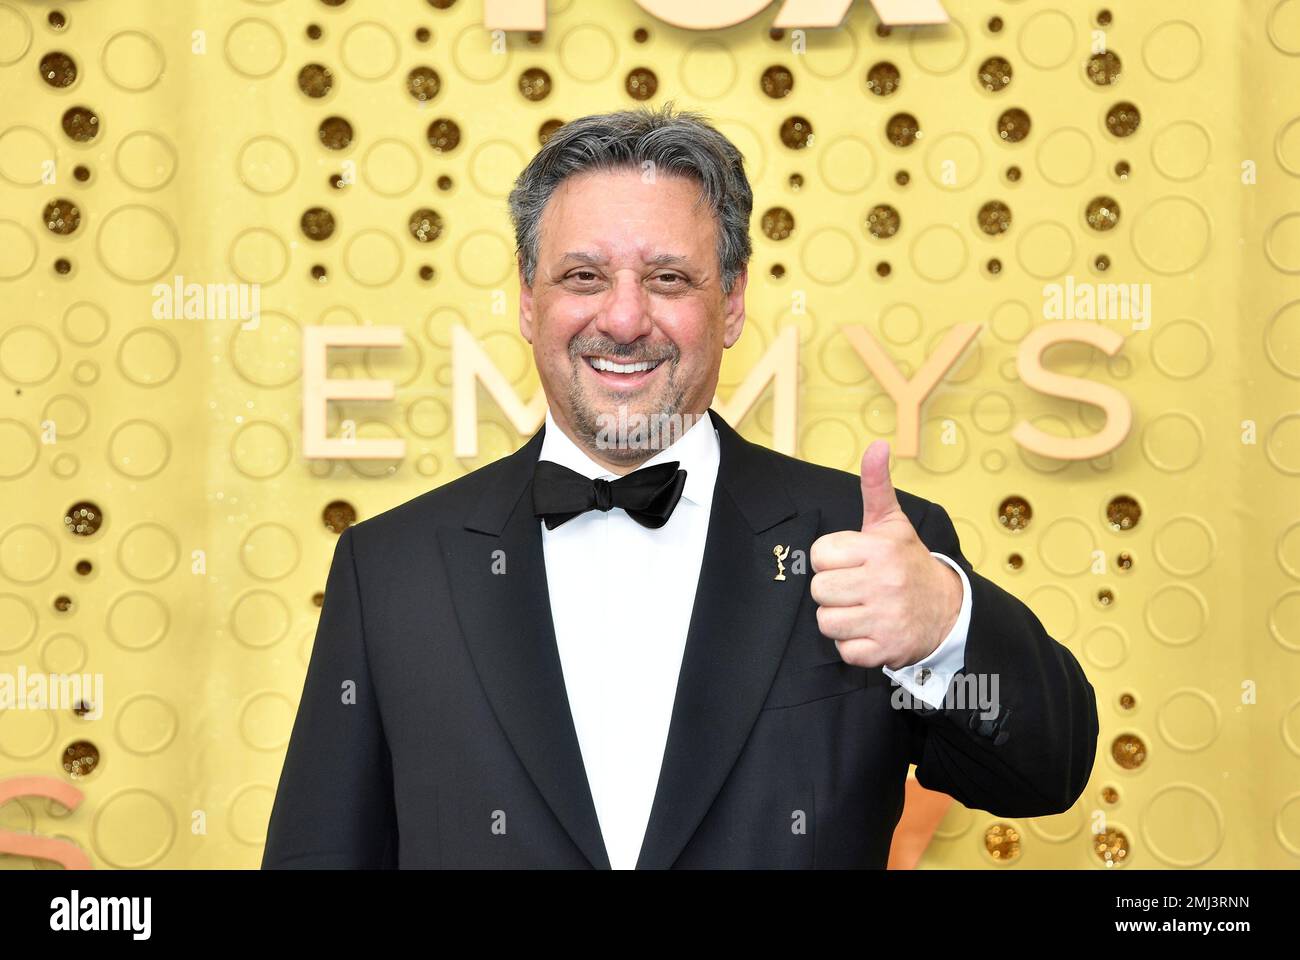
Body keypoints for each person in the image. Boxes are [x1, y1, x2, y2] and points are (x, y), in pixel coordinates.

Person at [262, 104, 1098, 869]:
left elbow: (1047, 770)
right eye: (583, 277)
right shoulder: (392, 571)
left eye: (669, 279)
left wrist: (945, 629)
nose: (624, 320)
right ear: (526, 300)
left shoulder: (865, 544)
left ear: (732, 303)